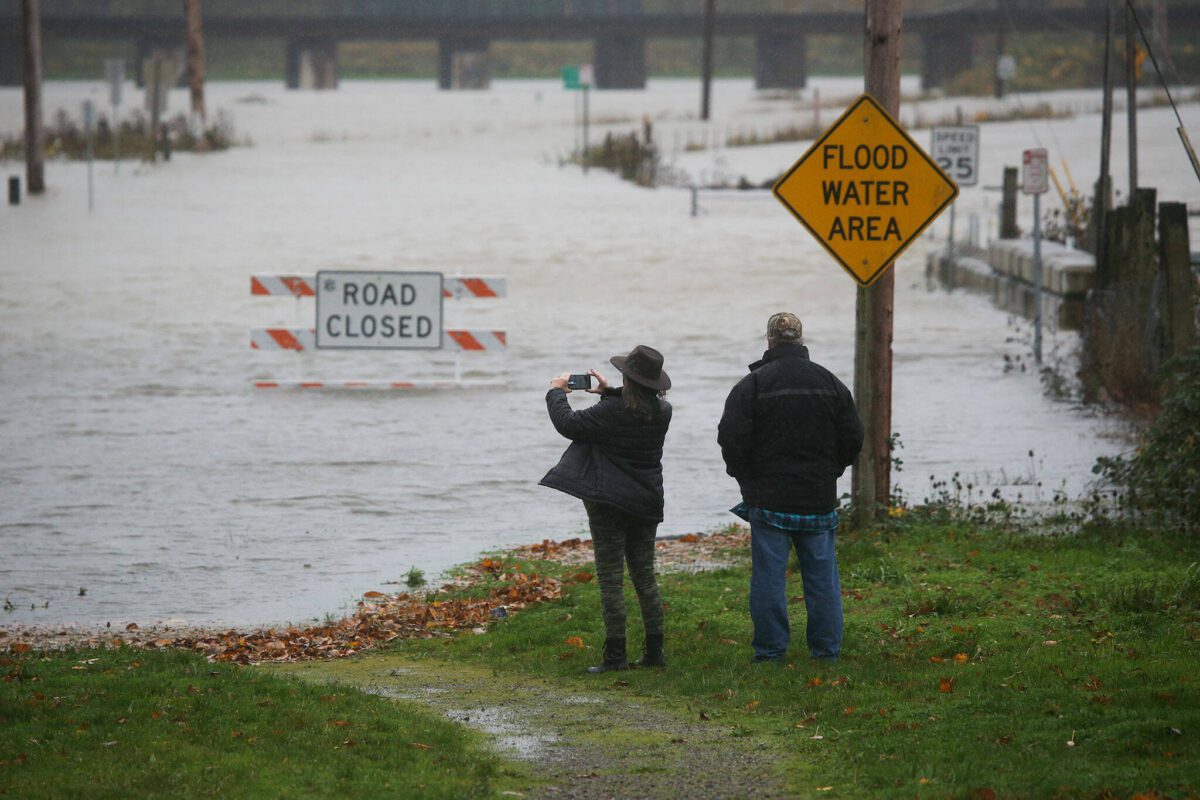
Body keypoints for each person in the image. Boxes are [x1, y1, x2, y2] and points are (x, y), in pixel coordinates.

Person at [717, 313, 863, 663]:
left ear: (769, 341)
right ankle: (825, 653)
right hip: (818, 498)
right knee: (822, 580)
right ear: (801, 340)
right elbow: (853, 437)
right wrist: (832, 471)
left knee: (769, 580)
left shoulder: (753, 385)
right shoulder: (830, 383)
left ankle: (770, 653)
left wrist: (746, 480)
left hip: (769, 500)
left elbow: (731, 439)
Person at [540, 345, 672, 673]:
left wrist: (556, 392)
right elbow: (629, 412)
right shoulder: (663, 411)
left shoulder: (612, 411)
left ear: (628, 378)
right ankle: (654, 653)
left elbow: (569, 424)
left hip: (609, 504)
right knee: (645, 577)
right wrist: (608, 392)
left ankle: (615, 657)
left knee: (611, 579)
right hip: (646, 501)